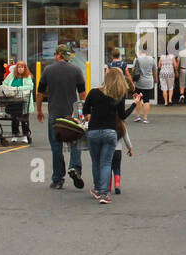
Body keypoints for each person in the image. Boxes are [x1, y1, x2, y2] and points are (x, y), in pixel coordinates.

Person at [82, 68, 138, 204]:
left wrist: (91, 114)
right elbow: (123, 116)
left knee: (96, 162)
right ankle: (104, 194)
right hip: (110, 132)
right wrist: (134, 104)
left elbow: (85, 110)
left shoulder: (94, 92)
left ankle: (96, 188)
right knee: (106, 163)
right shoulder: (119, 96)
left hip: (94, 131)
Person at [36, 46, 87, 189]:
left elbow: (40, 93)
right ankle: (75, 168)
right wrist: (86, 112)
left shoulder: (48, 70)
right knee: (75, 142)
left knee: (56, 146)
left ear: (59, 55)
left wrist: (39, 110)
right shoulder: (76, 70)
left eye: (55, 54)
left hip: (54, 113)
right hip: (72, 114)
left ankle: (58, 179)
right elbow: (82, 94)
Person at [0, 61, 35, 143]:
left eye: (22, 67)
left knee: (24, 119)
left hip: (24, 101)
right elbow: (5, 84)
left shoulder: (27, 76)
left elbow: (29, 86)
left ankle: (25, 135)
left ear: (25, 68)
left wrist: (17, 88)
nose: (20, 69)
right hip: (13, 100)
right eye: (19, 67)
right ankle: (15, 134)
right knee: (14, 118)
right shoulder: (11, 75)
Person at [130, 48, 156, 123]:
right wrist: (155, 79)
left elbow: (133, 70)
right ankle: (145, 118)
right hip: (148, 82)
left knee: (138, 99)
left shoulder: (137, 59)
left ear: (140, 51)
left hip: (139, 82)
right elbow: (154, 70)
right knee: (146, 100)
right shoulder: (152, 59)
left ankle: (138, 116)